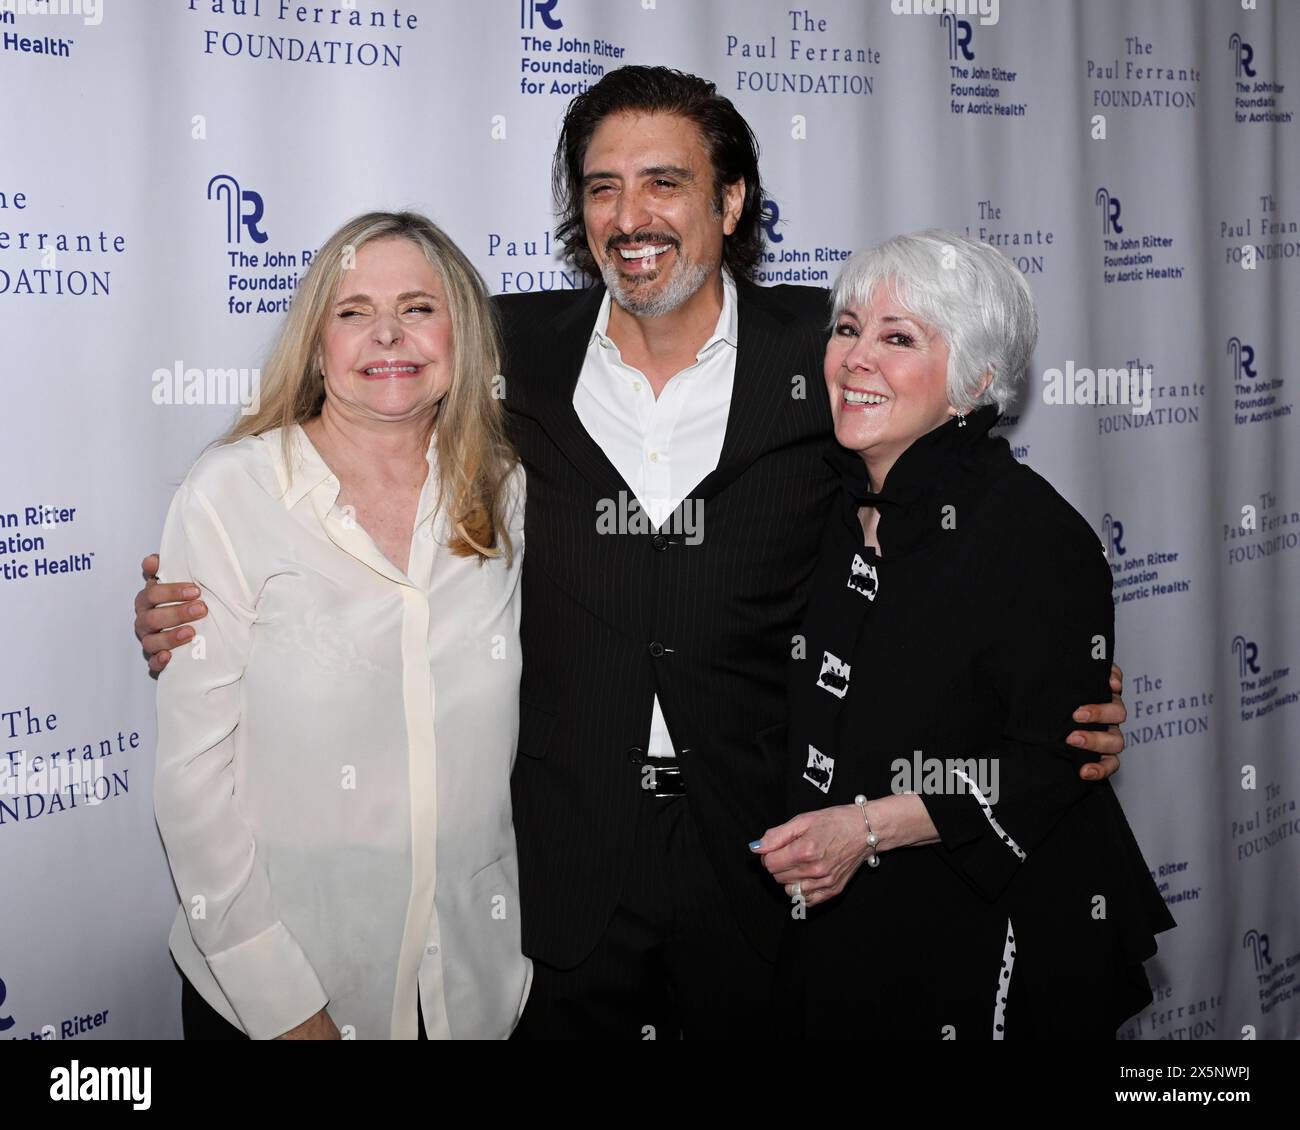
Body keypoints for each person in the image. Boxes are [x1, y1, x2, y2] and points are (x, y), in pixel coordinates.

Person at [134, 67, 1127, 1039]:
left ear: (730, 200)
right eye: (602, 187)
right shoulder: (506, 351)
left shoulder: (821, 356)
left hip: (761, 857)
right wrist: (210, 601)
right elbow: (357, 447)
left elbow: (936, 516)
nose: (629, 214)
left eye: (664, 182)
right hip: (558, 871)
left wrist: (1039, 688)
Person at [755, 232, 1175, 1038]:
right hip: (854, 928)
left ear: (976, 380)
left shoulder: (1032, 534)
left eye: (899, 337)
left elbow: (1051, 759)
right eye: (847, 328)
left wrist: (867, 827)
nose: (855, 358)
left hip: (995, 933)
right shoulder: (836, 506)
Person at [152, 211, 529, 1040]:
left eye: (419, 307)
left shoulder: (504, 491)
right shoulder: (230, 494)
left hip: (471, 991)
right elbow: (192, 780)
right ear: (316, 344)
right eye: (353, 311)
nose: (388, 333)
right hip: (281, 995)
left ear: (460, 333)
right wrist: (282, 1003)